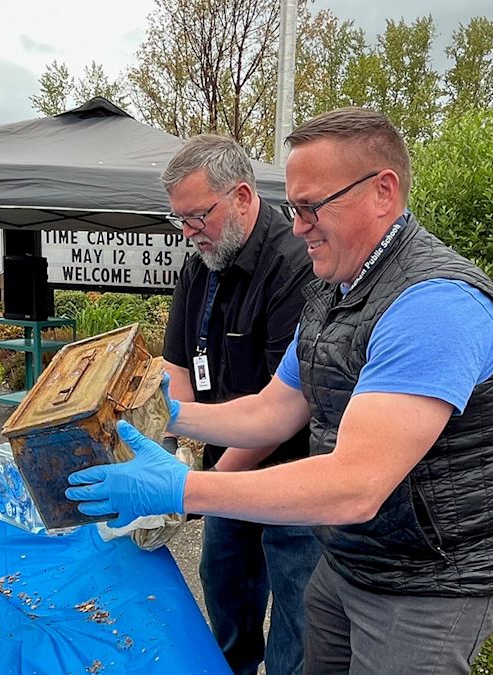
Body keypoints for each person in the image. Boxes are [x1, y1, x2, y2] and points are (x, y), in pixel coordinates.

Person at [66, 108, 493, 674]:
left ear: (382, 192)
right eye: (293, 207)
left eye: (311, 206)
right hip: (351, 557)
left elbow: (354, 484)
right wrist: (169, 414)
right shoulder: (335, 290)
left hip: (430, 579)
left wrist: (186, 490)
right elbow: (271, 412)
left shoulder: (434, 306)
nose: (296, 226)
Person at [158, 134, 320, 675]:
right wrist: (170, 455)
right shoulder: (201, 259)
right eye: (178, 219)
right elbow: (177, 365)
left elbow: (277, 416)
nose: (187, 232)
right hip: (224, 466)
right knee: (225, 593)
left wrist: (195, 494)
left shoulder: (295, 264)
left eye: (198, 215)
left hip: (293, 474)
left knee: (296, 625)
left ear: (244, 196)